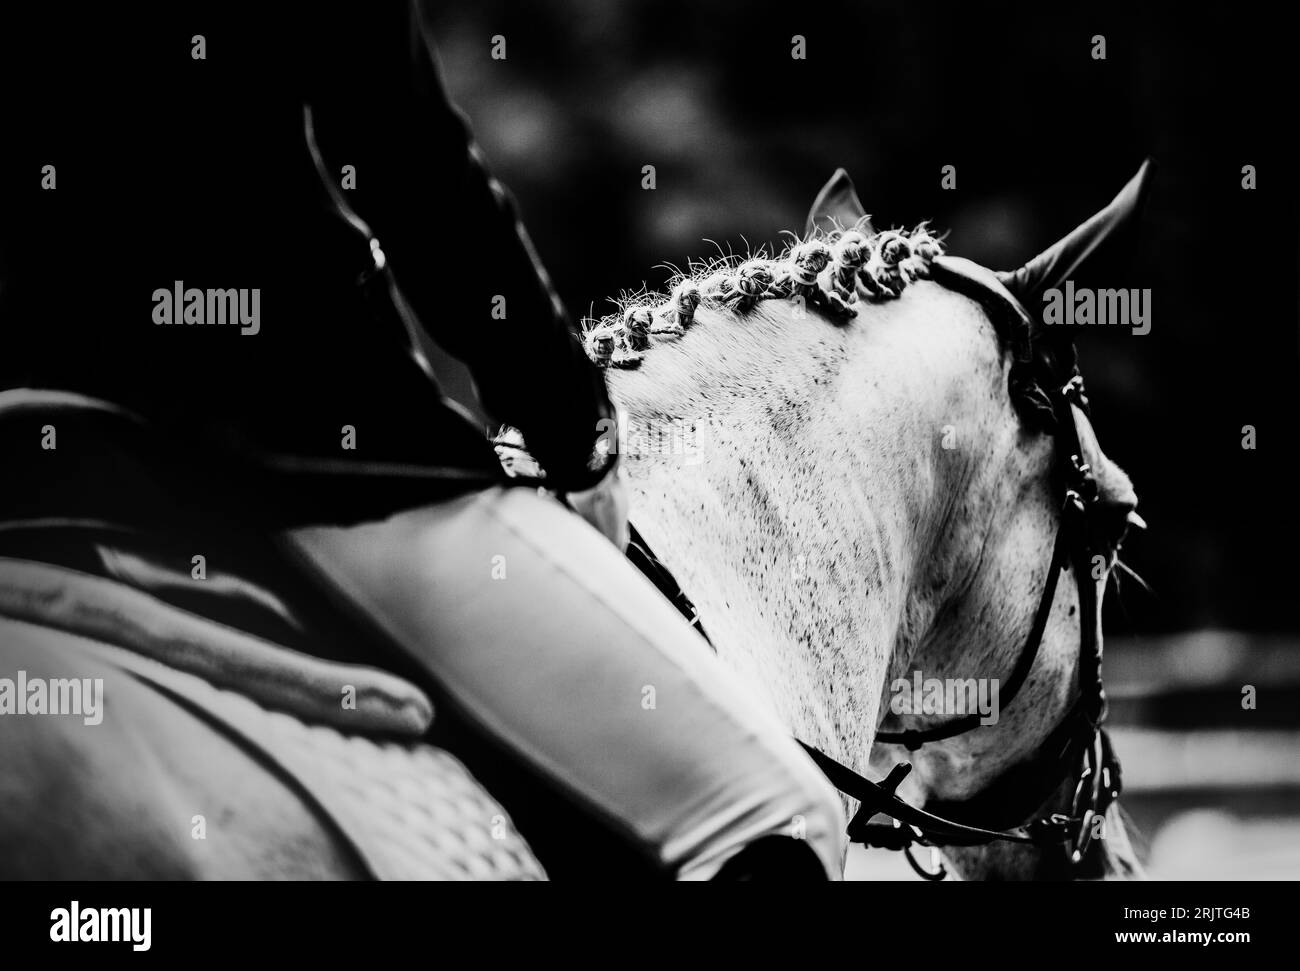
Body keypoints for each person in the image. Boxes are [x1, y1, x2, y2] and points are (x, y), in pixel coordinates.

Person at [0, 2, 844, 879]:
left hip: (29, 452)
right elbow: (411, 167)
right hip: (293, 448)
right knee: (779, 815)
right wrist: (572, 433)